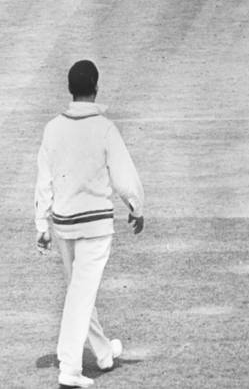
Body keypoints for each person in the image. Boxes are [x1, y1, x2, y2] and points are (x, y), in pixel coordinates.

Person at [34, 60, 145, 388]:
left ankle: (102, 353)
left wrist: (41, 223)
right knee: (80, 295)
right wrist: (137, 207)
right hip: (95, 226)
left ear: (71, 89)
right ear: (95, 88)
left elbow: (44, 179)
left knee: (78, 291)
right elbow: (124, 176)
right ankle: (69, 369)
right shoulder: (105, 128)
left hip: (64, 224)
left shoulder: (53, 127)